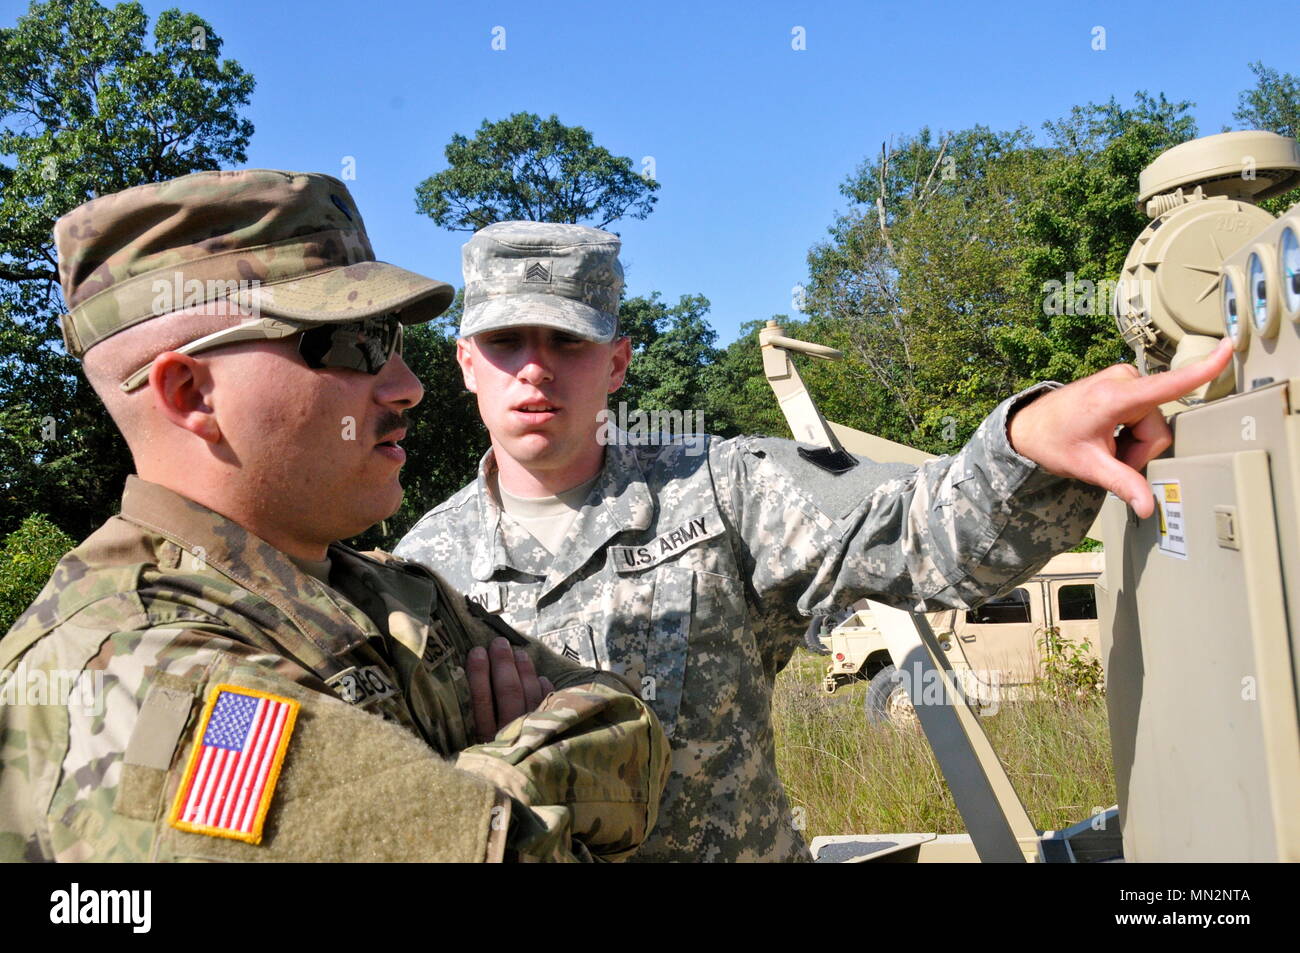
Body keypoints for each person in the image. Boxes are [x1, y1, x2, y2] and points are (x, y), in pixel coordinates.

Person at [394, 220, 1234, 862]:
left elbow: (915, 534)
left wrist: (1023, 436)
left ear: (615, 363)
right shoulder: (423, 568)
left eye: (566, 340)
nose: (535, 368)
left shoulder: (724, 490)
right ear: (466, 360)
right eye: (507, 341)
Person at [0, 173, 669, 863]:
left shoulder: (394, 593)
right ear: (190, 391)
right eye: (353, 342)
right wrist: (522, 791)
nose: (408, 386)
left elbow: (633, 732)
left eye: (391, 337)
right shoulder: (149, 678)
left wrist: (497, 788)